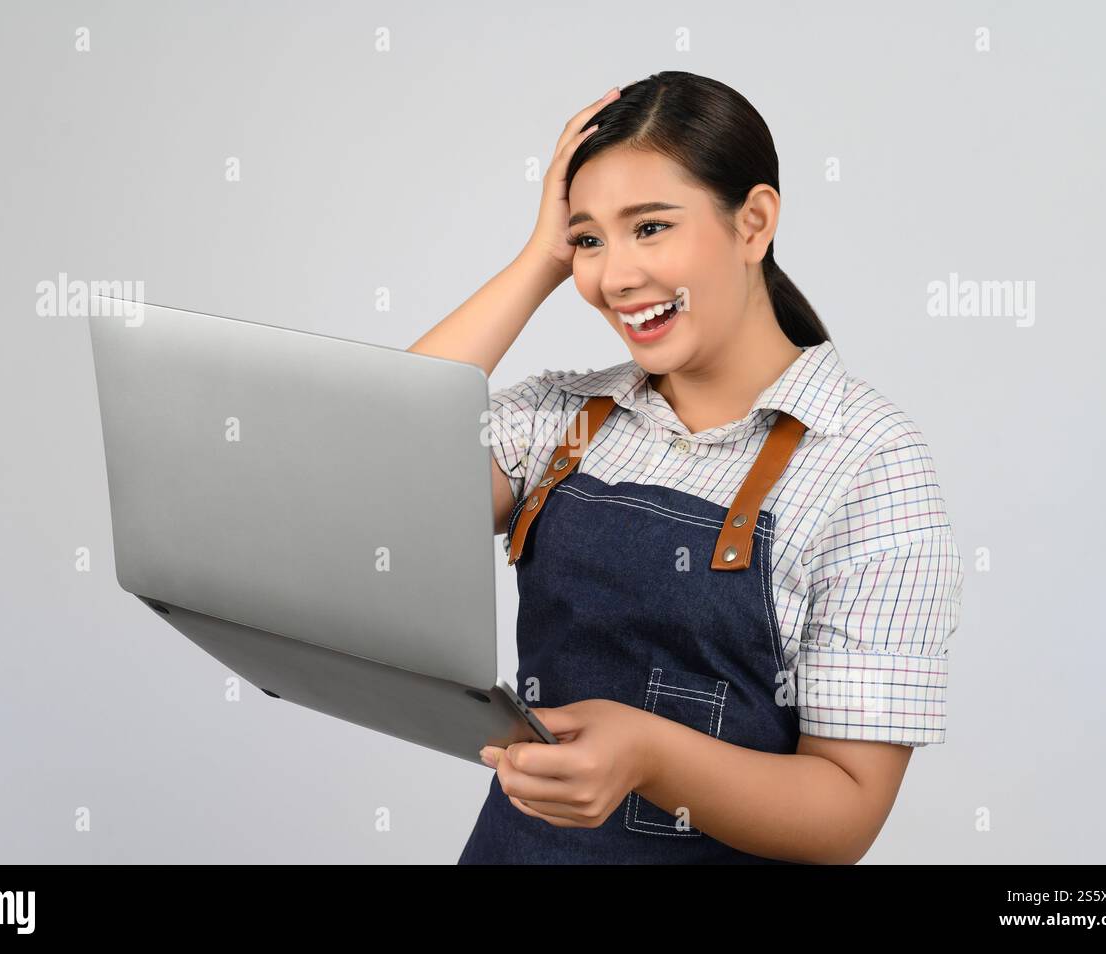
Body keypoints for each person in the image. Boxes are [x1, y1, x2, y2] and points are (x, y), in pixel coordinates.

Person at [408, 71, 964, 864]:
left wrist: (651, 755)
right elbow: (377, 480)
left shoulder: (868, 465)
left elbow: (846, 811)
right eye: (590, 238)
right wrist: (538, 260)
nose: (616, 277)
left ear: (754, 222)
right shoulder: (559, 417)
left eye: (651, 228)